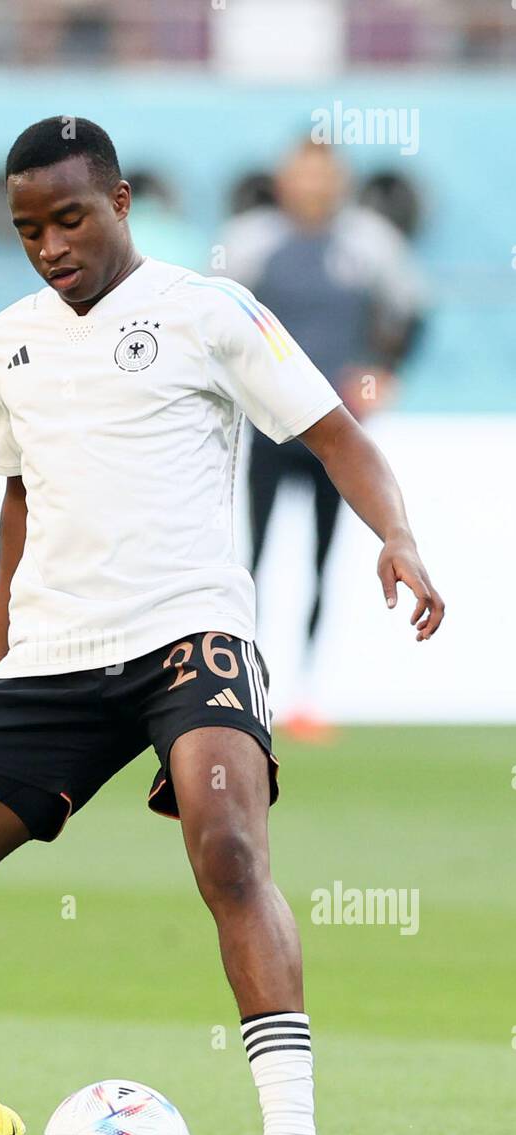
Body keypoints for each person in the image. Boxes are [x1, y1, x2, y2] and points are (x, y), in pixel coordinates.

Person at [0, 117, 444, 1135]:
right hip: (53, 653)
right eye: (28, 228)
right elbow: (19, 502)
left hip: (189, 632)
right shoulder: (9, 342)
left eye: (68, 218)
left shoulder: (207, 310)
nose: (48, 245)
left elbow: (334, 433)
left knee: (227, 846)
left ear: (121, 202)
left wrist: (399, 535)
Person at [223, 137, 426, 736]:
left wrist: (381, 371)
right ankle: (241, 686)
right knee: (251, 559)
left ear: (339, 182)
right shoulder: (251, 240)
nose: (312, 187)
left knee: (320, 560)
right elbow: (214, 317)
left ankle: (306, 692)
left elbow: (410, 312)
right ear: (285, 180)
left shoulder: (369, 242)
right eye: (302, 175)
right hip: (266, 428)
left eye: (323, 176)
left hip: (335, 433)